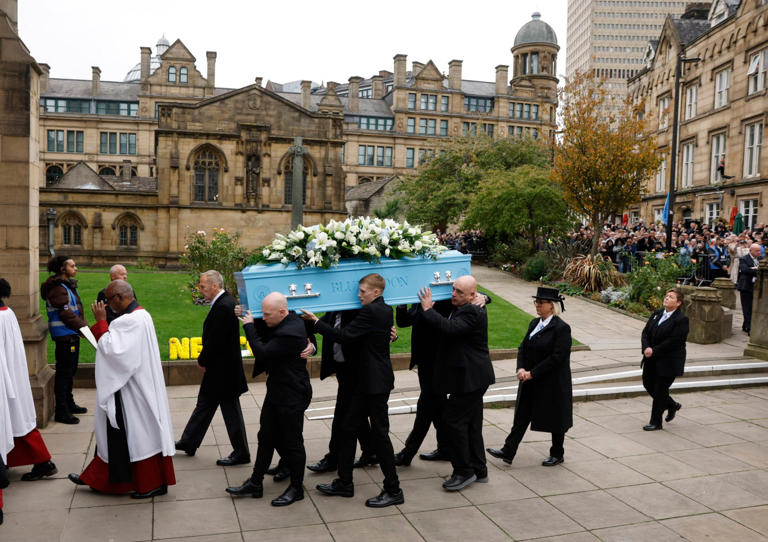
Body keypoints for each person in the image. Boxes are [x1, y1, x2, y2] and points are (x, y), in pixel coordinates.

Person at [301, 273, 404, 508]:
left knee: (380, 435)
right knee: (348, 428)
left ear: (376, 292)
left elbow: (344, 335)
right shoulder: (385, 310)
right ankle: (344, 482)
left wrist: (316, 322)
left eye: (363, 292)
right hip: (365, 381)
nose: (358, 295)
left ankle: (394, 489)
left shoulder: (372, 311)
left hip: (374, 383)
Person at [68, 280, 176, 497]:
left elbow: (113, 352)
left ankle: (151, 483)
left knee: (138, 435)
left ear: (119, 297)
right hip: (139, 381)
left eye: (108, 301)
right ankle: (100, 479)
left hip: (131, 387)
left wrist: (100, 323)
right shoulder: (142, 314)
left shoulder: (127, 322)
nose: (107, 306)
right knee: (128, 433)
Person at [226, 292, 312, 506]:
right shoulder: (283, 320)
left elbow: (262, 352)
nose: (263, 318)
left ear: (282, 311)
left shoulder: (292, 331)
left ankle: (297, 487)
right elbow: (266, 327)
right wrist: (246, 314)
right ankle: (255, 482)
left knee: (292, 442)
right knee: (265, 436)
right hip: (277, 389)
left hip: (293, 393)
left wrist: (248, 326)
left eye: (267, 314)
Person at [393, 290, 491, 466]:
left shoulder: (446, 295)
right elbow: (403, 321)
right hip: (425, 360)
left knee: (427, 407)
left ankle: (408, 453)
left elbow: (468, 290)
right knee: (436, 408)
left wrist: (484, 297)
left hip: (439, 362)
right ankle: (446, 448)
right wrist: (402, 301)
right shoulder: (421, 294)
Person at [417, 275, 495, 491]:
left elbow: (449, 329)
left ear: (472, 295)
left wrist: (427, 309)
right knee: (471, 424)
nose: (453, 294)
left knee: (453, 421)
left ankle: (463, 471)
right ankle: (479, 470)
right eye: (453, 289)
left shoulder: (471, 310)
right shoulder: (469, 304)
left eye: (459, 292)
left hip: (471, 378)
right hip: (471, 376)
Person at [487, 286, 572, 467]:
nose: (537, 306)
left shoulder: (561, 328)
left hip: (551, 382)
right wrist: (521, 368)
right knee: (522, 415)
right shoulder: (534, 323)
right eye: (536, 302)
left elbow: (557, 358)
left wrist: (533, 373)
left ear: (552, 305)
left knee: (556, 418)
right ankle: (508, 450)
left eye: (541, 303)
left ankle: (557, 453)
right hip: (529, 378)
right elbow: (522, 348)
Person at [175, 270, 250, 465]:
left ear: (215, 286)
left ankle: (241, 452)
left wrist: (203, 359)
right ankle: (189, 441)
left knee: (229, 411)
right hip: (220, 370)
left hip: (223, 372)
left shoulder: (224, 305)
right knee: (205, 405)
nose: (200, 290)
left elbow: (216, 341)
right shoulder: (224, 302)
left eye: (203, 286)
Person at [305, 308, 377, 475]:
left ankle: (334, 459)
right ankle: (370, 451)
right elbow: (317, 325)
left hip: (357, 372)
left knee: (342, 417)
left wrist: (315, 321)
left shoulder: (357, 312)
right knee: (354, 415)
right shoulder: (335, 311)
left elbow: (340, 335)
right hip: (344, 370)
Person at [0, 279, 57, 482]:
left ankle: (43, 462)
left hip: (5, 379)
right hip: (12, 375)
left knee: (16, 422)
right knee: (18, 421)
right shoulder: (8, 313)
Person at [41, 255, 89, 424]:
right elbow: (66, 313)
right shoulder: (57, 288)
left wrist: (80, 327)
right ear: (62, 269)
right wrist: (83, 328)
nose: (76, 268)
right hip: (64, 335)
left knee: (70, 371)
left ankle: (69, 403)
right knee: (64, 373)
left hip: (70, 334)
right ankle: (62, 410)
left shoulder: (65, 286)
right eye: (72, 266)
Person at [640, 288, 689, 431]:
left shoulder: (681, 320)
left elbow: (674, 341)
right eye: (666, 296)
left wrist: (654, 350)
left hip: (669, 361)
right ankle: (672, 405)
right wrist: (646, 347)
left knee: (660, 389)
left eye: (671, 297)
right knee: (648, 384)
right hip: (651, 358)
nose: (666, 298)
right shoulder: (657, 314)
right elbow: (645, 333)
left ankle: (656, 422)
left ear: (678, 303)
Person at [737, 243, 762, 334]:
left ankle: (746, 325)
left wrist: (754, 269)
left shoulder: (761, 259)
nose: (759, 253)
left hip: (757, 286)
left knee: (753, 307)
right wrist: (756, 270)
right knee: (746, 307)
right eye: (757, 251)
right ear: (751, 250)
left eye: (760, 250)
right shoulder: (744, 259)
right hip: (746, 286)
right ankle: (748, 327)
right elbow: (745, 270)